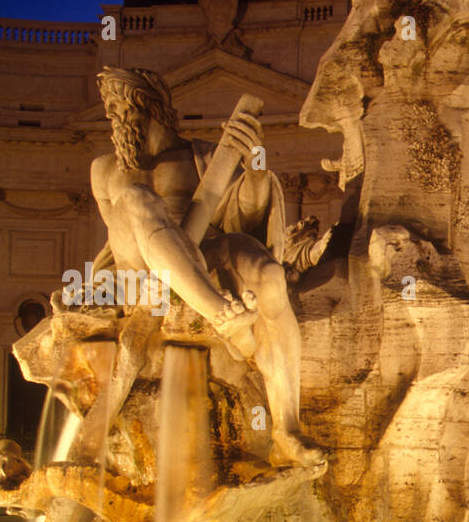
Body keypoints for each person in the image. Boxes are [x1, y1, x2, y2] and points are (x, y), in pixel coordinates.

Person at [83, 66, 321, 468]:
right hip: (140, 272)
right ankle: (223, 318)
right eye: (111, 111)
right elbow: (114, 245)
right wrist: (93, 288)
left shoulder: (207, 156)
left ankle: (287, 428)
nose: (115, 121)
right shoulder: (105, 170)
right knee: (138, 198)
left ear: (150, 108)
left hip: (202, 256)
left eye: (121, 109)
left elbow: (247, 213)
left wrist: (256, 168)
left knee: (271, 276)